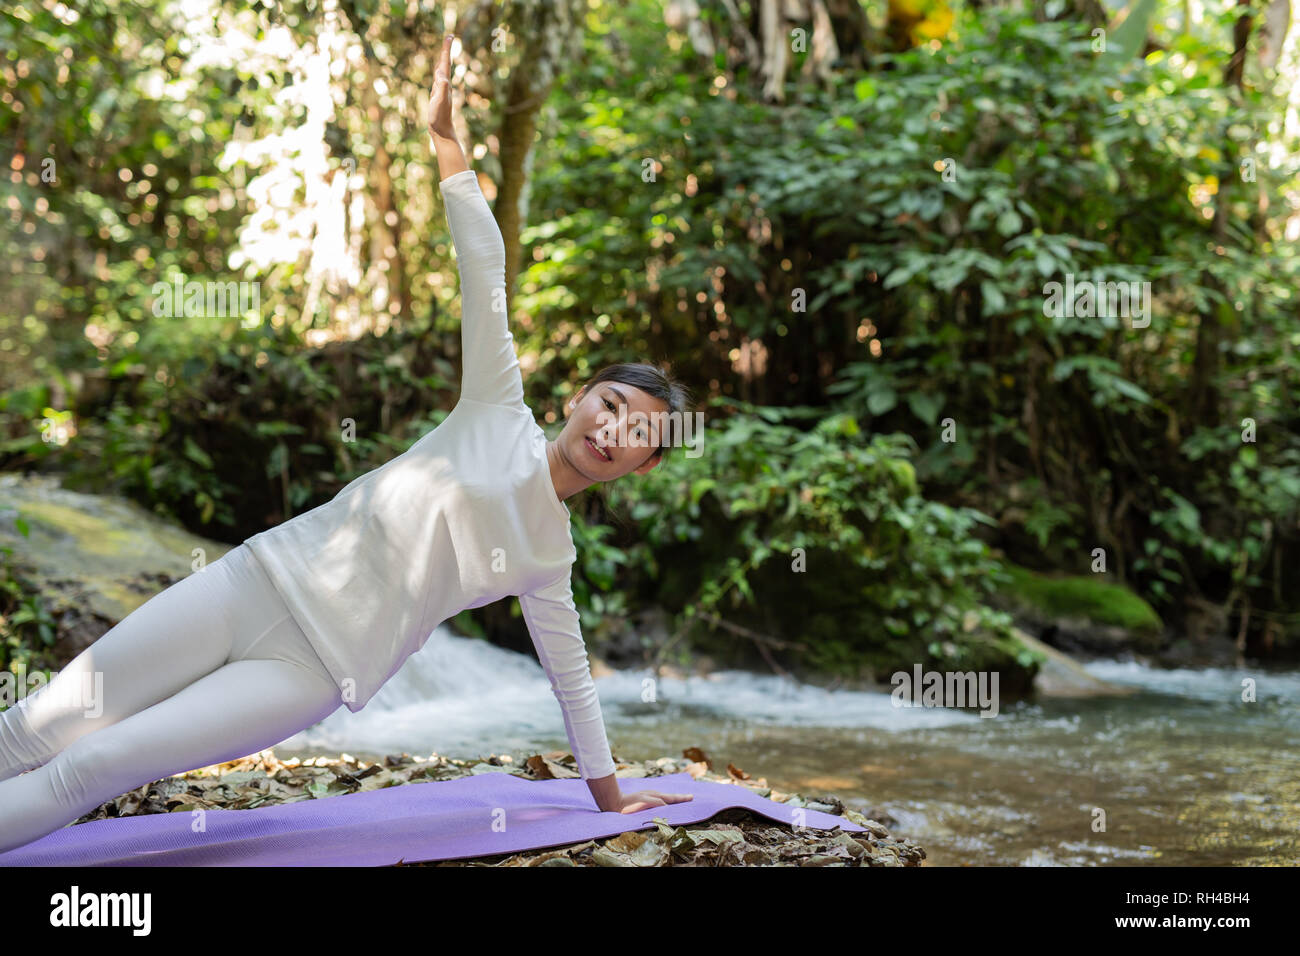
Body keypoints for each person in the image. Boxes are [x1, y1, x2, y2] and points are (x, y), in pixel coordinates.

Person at [0, 33, 693, 855]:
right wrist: (445, 140)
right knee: (38, 723)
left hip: (311, 673)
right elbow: (485, 272)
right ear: (579, 397)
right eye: (608, 403)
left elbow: (571, 680)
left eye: (636, 432)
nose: (609, 430)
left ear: (646, 462)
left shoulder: (550, 555)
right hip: (249, 582)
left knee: (101, 762)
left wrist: (608, 797)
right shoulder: (495, 404)